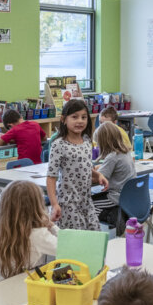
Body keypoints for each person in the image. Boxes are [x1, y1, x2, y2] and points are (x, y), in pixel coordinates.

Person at [0, 179, 57, 288]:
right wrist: (52, 226)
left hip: (1, 301)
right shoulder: (40, 236)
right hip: (33, 299)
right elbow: (71, 249)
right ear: (37, 208)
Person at [46, 99, 108, 231]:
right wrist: (54, 204)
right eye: (74, 117)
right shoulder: (59, 144)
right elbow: (51, 177)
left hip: (86, 202)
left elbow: (85, 167)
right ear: (64, 119)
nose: (80, 121)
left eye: (83, 117)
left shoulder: (86, 141)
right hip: (68, 204)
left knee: (94, 239)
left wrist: (98, 175)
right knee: (75, 246)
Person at [92, 122, 135, 235]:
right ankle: (116, 214)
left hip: (115, 197)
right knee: (94, 198)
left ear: (104, 142)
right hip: (128, 197)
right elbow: (107, 168)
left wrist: (85, 173)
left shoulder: (112, 157)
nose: (98, 146)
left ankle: (111, 218)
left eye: (98, 143)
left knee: (89, 204)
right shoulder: (124, 152)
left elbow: (98, 179)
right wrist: (98, 167)